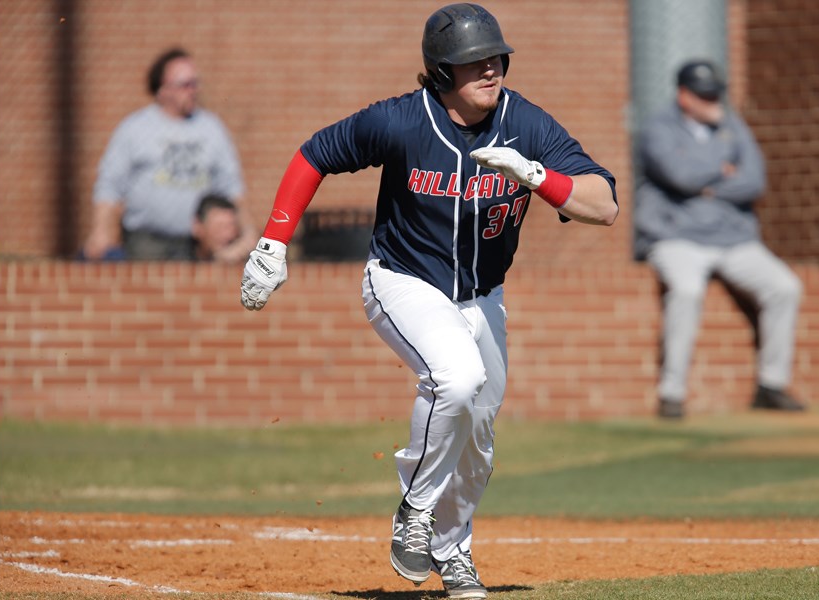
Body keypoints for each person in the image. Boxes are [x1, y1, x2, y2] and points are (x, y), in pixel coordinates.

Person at [238, 4, 617, 598]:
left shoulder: (526, 125)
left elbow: (604, 204)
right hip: (403, 280)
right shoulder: (401, 122)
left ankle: (453, 549)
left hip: (481, 296)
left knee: (479, 436)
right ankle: (414, 511)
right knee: (456, 379)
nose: (491, 69)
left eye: (496, 58)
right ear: (442, 73)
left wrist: (540, 177)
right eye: (475, 62)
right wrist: (273, 240)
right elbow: (315, 153)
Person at [632, 59, 805, 419]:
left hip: (734, 238)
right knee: (687, 291)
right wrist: (722, 169)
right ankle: (672, 394)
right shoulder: (657, 127)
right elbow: (679, 176)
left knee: (785, 286)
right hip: (675, 236)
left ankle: (772, 385)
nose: (713, 102)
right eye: (703, 95)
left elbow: (755, 180)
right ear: (684, 96)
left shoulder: (731, 125)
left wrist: (709, 186)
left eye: (714, 94)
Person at [84, 47, 256, 262]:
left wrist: (248, 230)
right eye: (185, 85)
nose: (193, 90)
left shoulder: (211, 128)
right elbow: (109, 184)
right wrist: (100, 232)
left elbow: (232, 186)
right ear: (162, 90)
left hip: (196, 244)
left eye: (196, 83)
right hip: (146, 242)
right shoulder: (135, 128)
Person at [192, 193, 242, 262]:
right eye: (219, 228)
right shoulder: (177, 257)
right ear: (198, 226)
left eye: (231, 227)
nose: (227, 235)